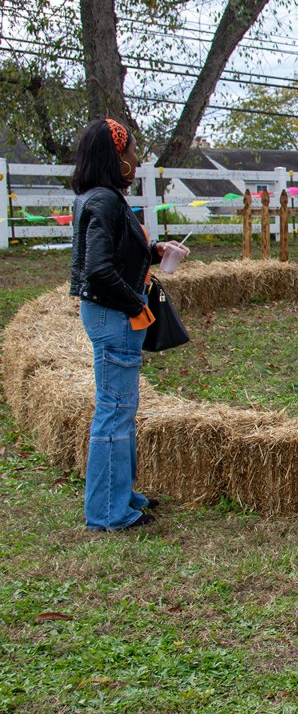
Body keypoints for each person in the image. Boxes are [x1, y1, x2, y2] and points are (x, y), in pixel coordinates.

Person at [69, 119, 183, 530]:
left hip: (109, 312)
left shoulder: (97, 197)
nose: (136, 158)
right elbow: (98, 269)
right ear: (117, 158)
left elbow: (114, 252)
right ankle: (107, 512)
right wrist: (135, 303)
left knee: (120, 410)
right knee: (115, 412)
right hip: (113, 314)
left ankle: (119, 494)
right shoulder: (104, 200)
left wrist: (153, 250)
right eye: (132, 151)